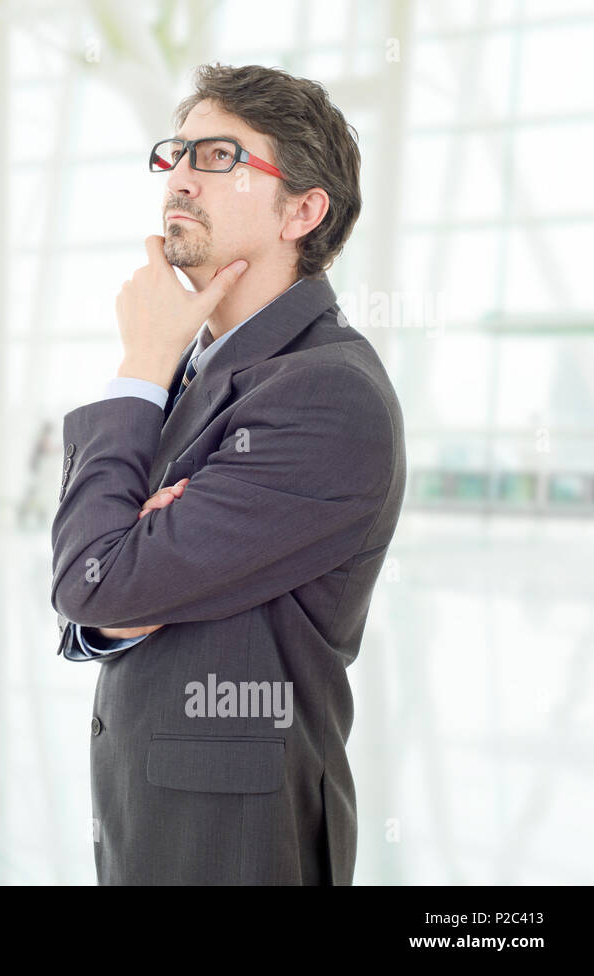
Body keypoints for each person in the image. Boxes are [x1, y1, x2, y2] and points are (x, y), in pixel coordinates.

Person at [50, 63, 406, 885]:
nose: (179, 177)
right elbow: (96, 588)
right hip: (152, 822)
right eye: (176, 155)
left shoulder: (326, 394)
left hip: (237, 846)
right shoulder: (206, 371)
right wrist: (116, 605)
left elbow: (92, 574)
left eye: (217, 157)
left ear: (304, 210)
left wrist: (140, 364)